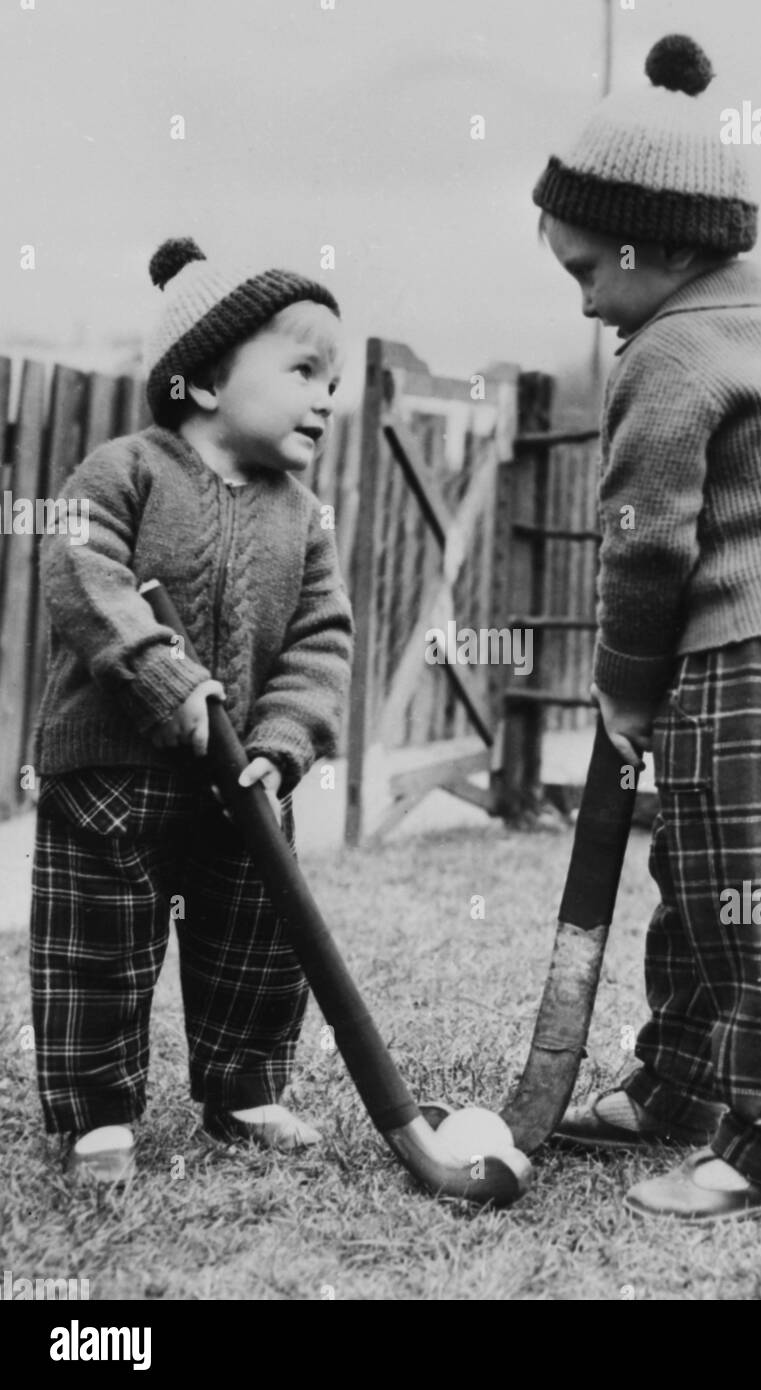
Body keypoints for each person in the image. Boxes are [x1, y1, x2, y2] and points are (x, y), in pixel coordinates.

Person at [533, 35, 761, 1222]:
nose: (580, 295)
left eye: (588, 267)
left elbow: (644, 542)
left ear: (664, 243)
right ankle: (681, 1089)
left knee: (751, 891)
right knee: (698, 877)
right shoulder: (756, 323)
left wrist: (623, 686)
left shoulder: (675, 352)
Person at [30, 236, 353, 1183]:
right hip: (111, 776)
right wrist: (165, 679)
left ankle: (242, 1090)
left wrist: (285, 738)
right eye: (303, 370)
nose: (325, 396)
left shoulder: (303, 516)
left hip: (239, 780)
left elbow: (319, 640)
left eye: (332, 378)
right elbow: (83, 575)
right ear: (208, 380)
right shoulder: (123, 471)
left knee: (256, 937)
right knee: (98, 943)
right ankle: (99, 1116)